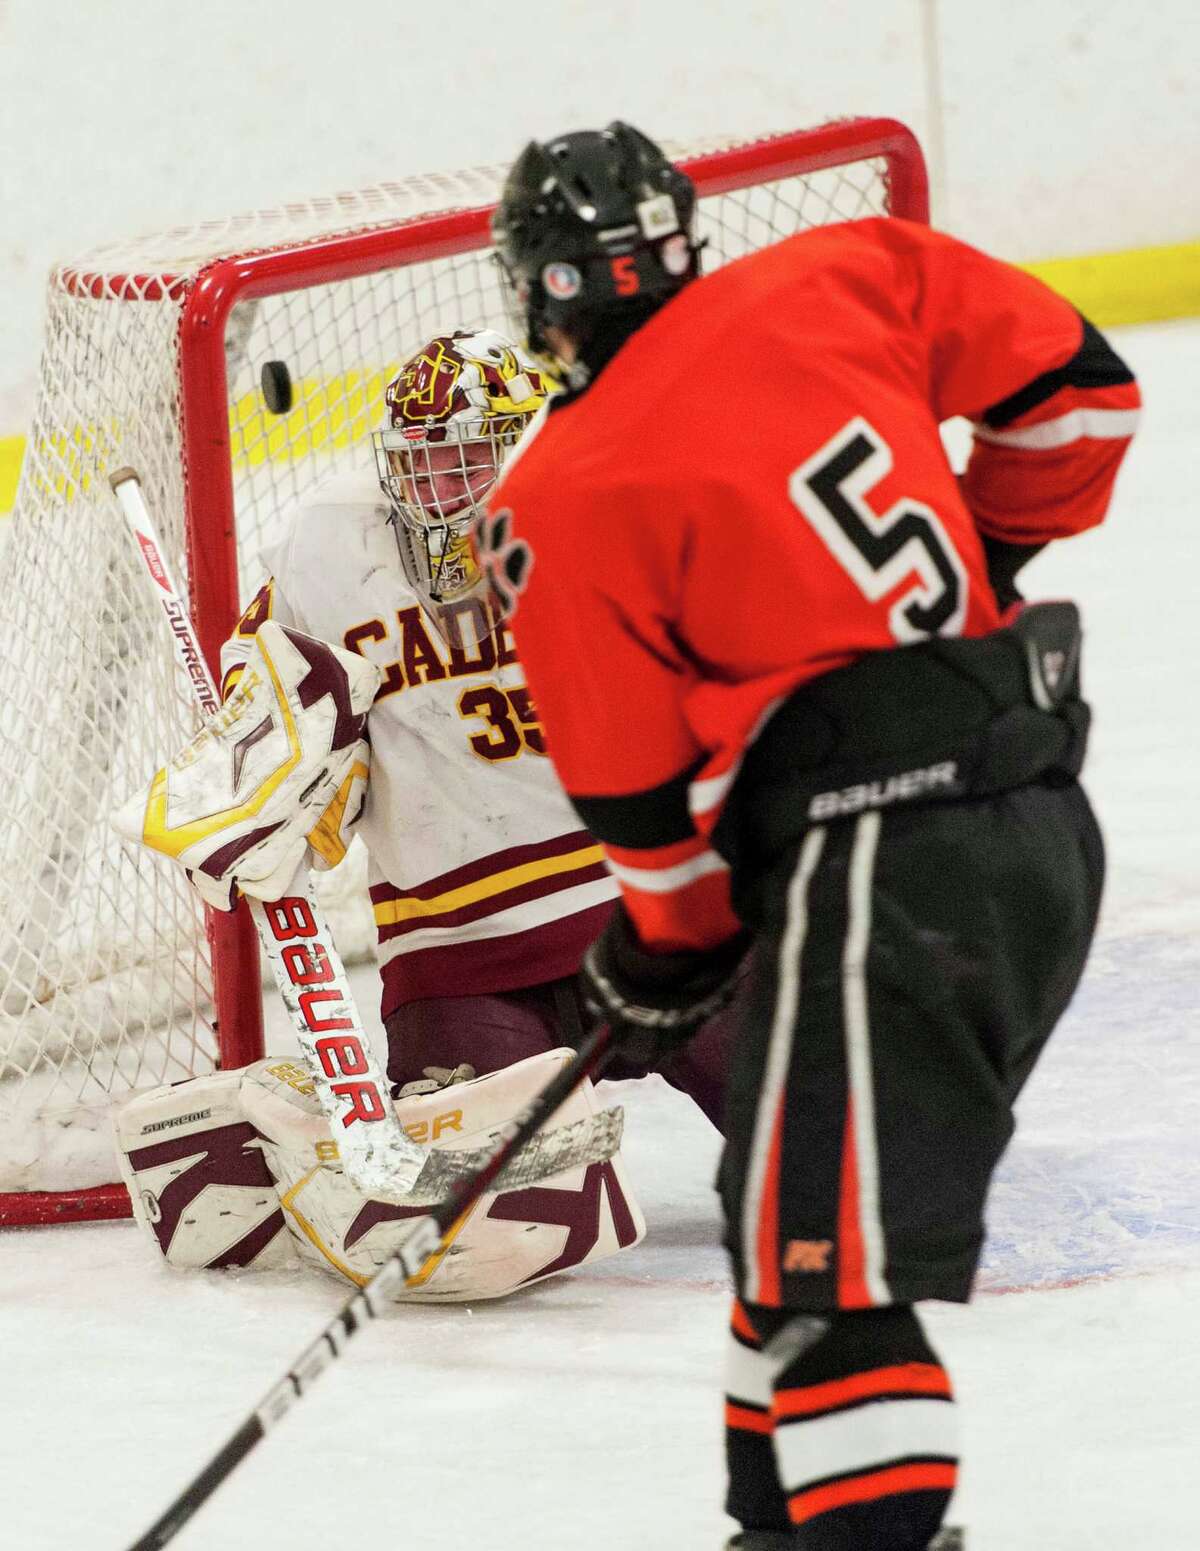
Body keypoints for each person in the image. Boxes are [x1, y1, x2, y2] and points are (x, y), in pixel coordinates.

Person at [484, 121, 1140, 1549]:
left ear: (538, 291)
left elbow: (645, 813)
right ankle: (774, 1529)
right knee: (782, 1215)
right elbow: (1088, 399)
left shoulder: (564, 492)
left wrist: (662, 956)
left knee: (832, 1271)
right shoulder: (845, 271)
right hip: (1040, 823)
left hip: (881, 859)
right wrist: (984, 557)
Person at [218, 326, 728, 1129]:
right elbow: (259, 700)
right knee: (487, 1211)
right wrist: (280, 786)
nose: (435, 487)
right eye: (416, 459)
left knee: (826, 1142)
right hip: (458, 951)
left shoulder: (614, 519)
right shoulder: (329, 546)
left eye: (464, 459)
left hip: (656, 914)